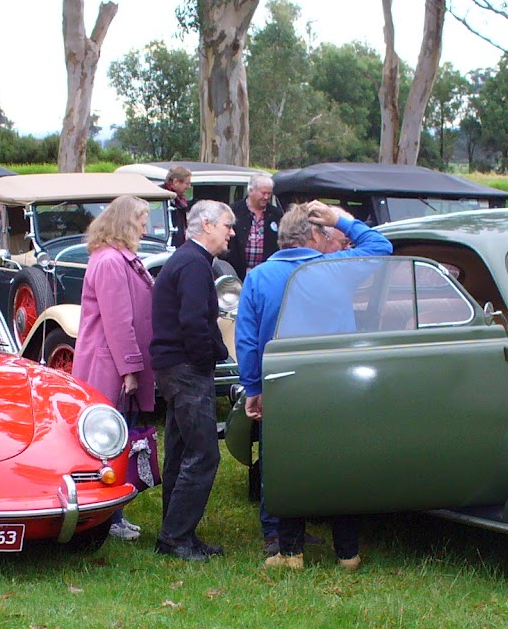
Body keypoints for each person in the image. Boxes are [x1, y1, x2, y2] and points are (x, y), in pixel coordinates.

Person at [236, 201, 391, 570]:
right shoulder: (335, 270)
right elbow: (382, 248)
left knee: (283, 461)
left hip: (283, 379)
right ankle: (347, 552)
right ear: (315, 235)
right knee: (341, 460)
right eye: (327, 233)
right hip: (337, 380)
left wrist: (253, 387)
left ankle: (289, 551)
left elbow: (247, 340)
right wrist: (343, 220)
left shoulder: (258, 277)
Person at [149, 200, 234, 561]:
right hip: (185, 369)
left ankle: (178, 532)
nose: (232, 233)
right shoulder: (194, 264)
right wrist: (205, 362)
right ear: (207, 225)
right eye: (228, 226)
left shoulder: (188, 260)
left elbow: (198, 321)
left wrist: (213, 356)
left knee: (182, 450)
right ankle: (175, 537)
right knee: (203, 453)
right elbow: (194, 322)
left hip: (174, 366)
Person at [71, 195, 156, 541]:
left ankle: (115, 514)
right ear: (124, 222)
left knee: (119, 439)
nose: (145, 227)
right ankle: (109, 518)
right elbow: (118, 321)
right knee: (110, 442)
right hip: (109, 364)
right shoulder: (110, 262)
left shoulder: (118, 259)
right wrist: (130, 369)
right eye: (141, 219)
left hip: (115, 362)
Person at [229, 174, 282, 277]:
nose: (266, 197)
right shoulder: (234, 211)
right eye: (263, 193)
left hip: (267, 272)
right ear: (251, 191)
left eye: (269, 193)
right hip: (238, 273)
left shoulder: (276, 214)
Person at [162, 165, 193, 248]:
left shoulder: (179, 202)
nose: (189, 187)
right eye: (187, 183)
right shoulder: (162, 200)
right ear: (175, 182)